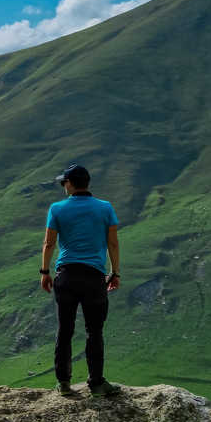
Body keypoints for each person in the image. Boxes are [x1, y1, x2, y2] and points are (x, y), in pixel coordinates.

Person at [40, 163, 122, 397]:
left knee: (65, 329)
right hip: (94, 277)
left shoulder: (57, 208)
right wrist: (115, 273)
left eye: (63, 182)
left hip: (66, 275)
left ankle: (64, 384)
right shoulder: (105, 208)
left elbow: (49, 243)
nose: (63, 186)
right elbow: (113, 244)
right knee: (94, 331)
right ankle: (96, 383)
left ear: (70, 184)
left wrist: (44, 272)